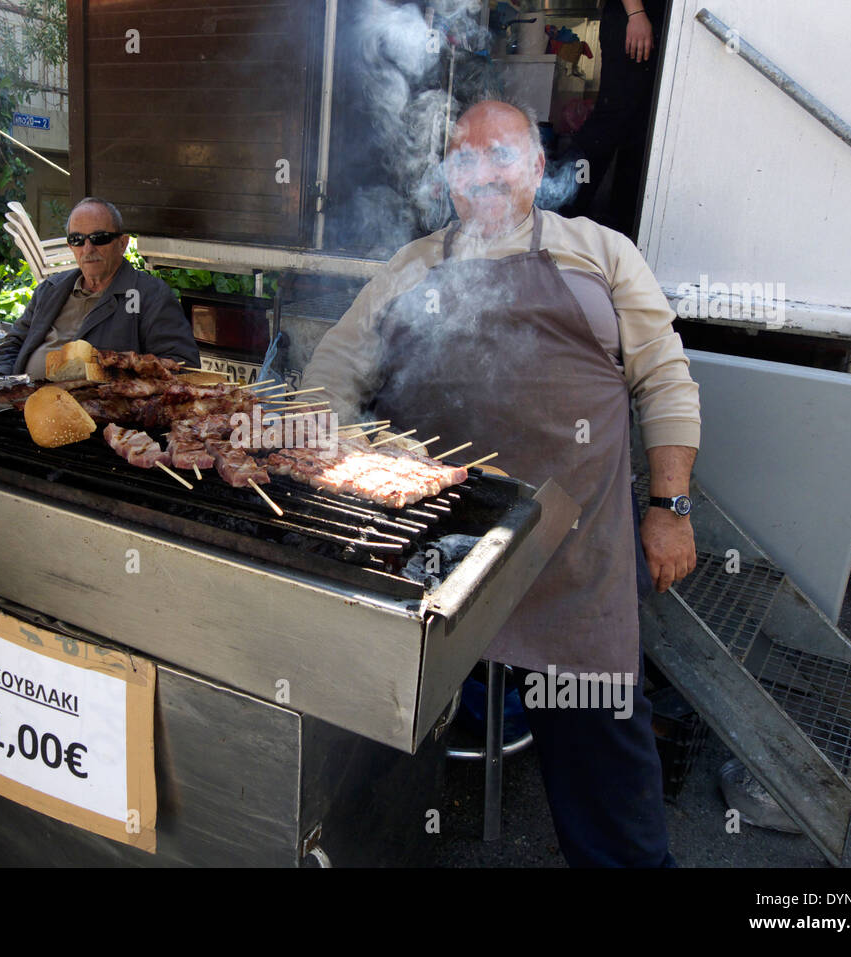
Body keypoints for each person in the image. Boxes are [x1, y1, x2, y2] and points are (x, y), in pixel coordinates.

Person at [300, 99, 700, 867]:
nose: (481, 174)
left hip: (573, 560)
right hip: (424, 549)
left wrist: (669, 507)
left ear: (539, 167)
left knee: (606, 781)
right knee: (379, 751)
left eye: (501, 155)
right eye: (463, 160)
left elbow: (666, 381)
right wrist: (332, 461)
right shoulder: (412, 264)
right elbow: (333, 377)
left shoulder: (599, 253)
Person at [0, 197, 199, 377]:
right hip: (24, 408)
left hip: (100, 416)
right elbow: (10, 347)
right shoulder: (50, 290)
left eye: (99, 238)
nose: (88, 248)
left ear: (122, 243)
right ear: (70, 246)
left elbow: (183, 368)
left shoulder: (151, 295)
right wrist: (2, 385)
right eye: (77, 239)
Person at [565, 0, 668, 238]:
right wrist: (636, 13)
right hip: (634, 17)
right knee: (611, 120)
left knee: (641, 130)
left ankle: (620, 226)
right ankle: (562, 208)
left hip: (652, 20)